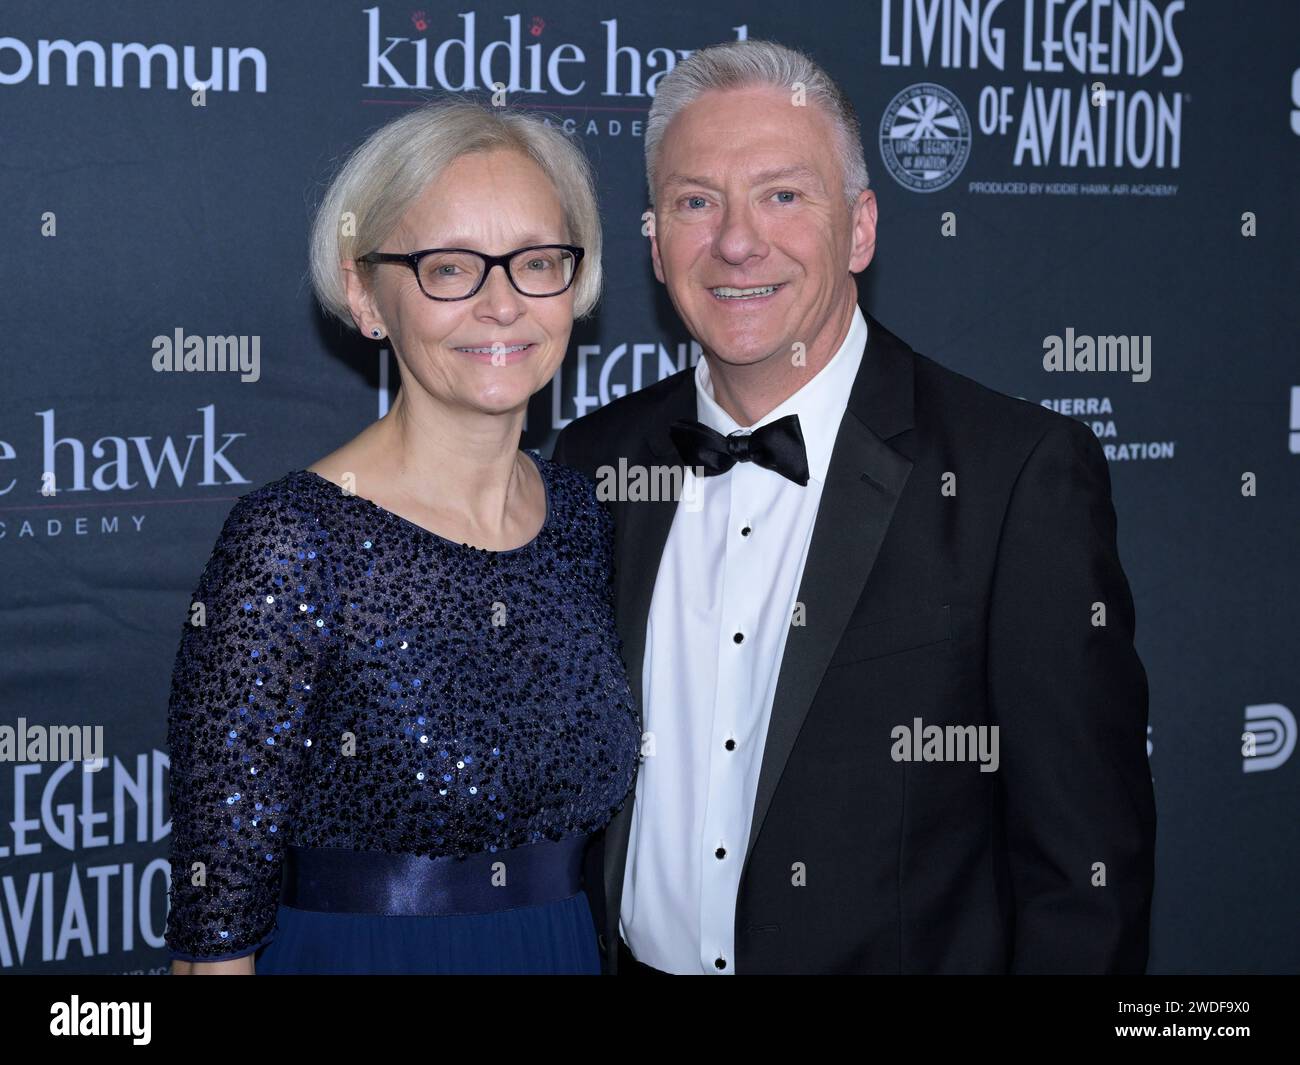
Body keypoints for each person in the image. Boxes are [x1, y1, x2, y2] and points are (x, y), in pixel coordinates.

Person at [552, 39, 1157, 974]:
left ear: (862, 228)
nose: (738, 240)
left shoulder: (1014, 474)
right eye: (695, 201)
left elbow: (1082, 872)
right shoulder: (595, 460)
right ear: (656, 239)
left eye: (784, 195)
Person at [164, 98, 640, 974]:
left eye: (537, 262)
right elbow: (214, 932)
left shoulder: (580, 519)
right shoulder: (291, 540)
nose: (502, 304)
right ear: (364, 292)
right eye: (450, 268)